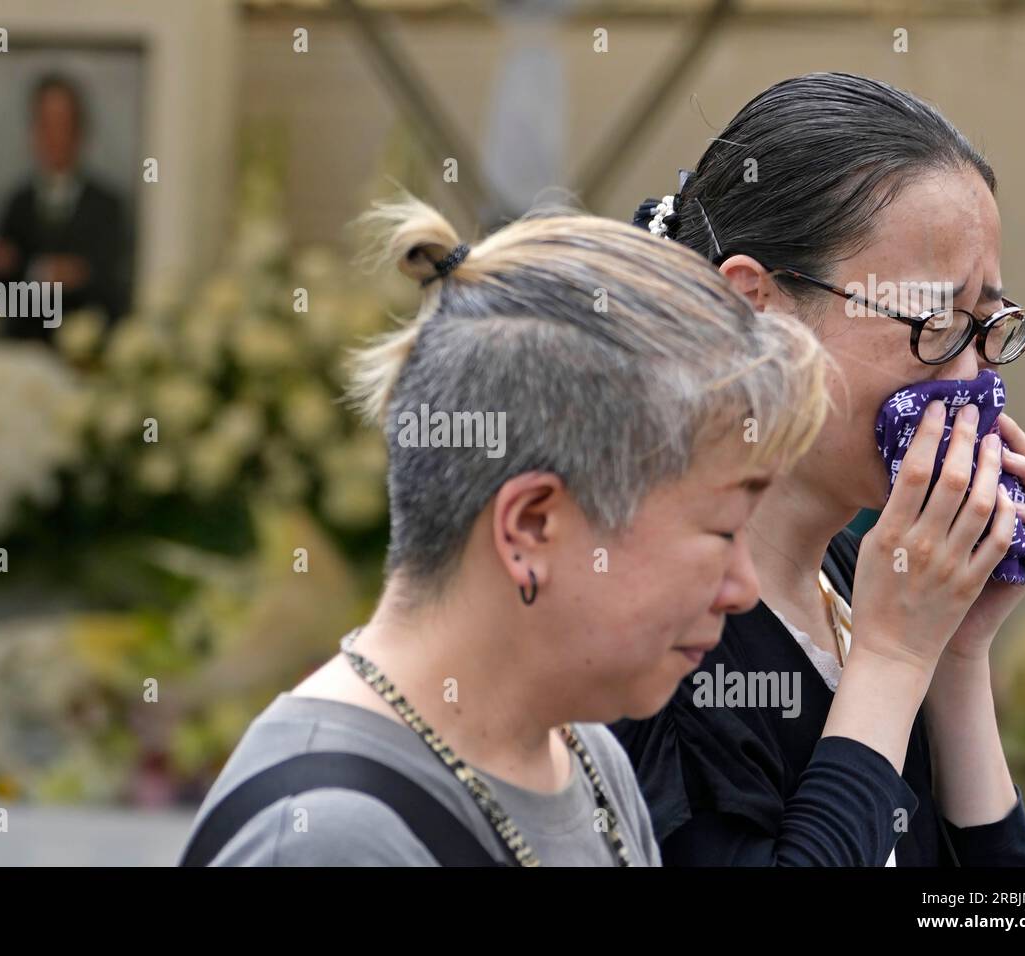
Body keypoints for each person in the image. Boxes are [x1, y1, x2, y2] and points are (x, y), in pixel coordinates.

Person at [180, 196, 829, 866]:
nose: (743, 588)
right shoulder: (328, 839)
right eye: (723, 530)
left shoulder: (585, 753)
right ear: (531, 527)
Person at [615, 71, 1025, 866]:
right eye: (935, 324)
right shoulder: (658, 636)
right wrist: (894, 658)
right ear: (754, 305)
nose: (969, 383)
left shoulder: (876, 587)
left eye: (988, 326)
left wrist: (955, 655)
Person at [0, 73, 131, 341]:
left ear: (80, 131)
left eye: (63, 125)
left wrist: (81, 275)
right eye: (46, 125)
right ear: (33, 132)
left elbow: (116, 282)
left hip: (88, 350)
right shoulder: (17, 203)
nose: (54, 136)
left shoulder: (108, 206)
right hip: (24, 347)